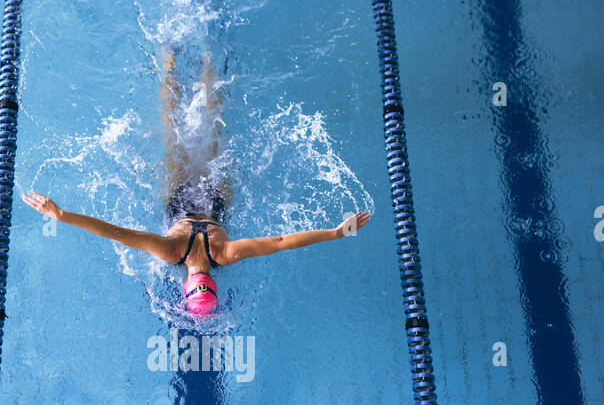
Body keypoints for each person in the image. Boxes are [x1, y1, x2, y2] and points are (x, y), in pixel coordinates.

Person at [22, 47, 370, 315]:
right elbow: (115, 233)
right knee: (174, 132)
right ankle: (170, 66)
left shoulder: (227, 253)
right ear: (188, 285)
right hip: (178, 200)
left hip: (215, 199)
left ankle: (208, 66)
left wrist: (338, 232)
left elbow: (280, 241)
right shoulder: (170, 251)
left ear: (210, 284)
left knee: (212, 131)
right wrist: (62, 216)